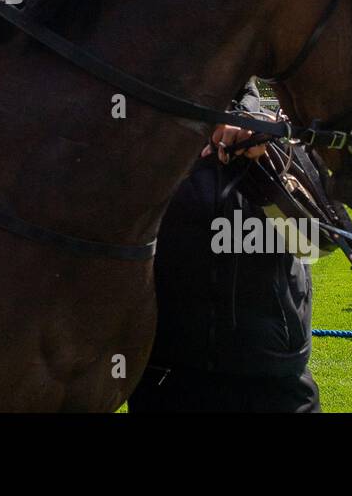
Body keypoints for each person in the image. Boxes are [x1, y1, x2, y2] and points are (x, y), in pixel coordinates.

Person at [128, 80, 323, 413]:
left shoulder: (274, 136)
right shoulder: (143, 140)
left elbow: (311, 242)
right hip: (168, 377)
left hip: (276, 377)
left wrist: (264, 159)